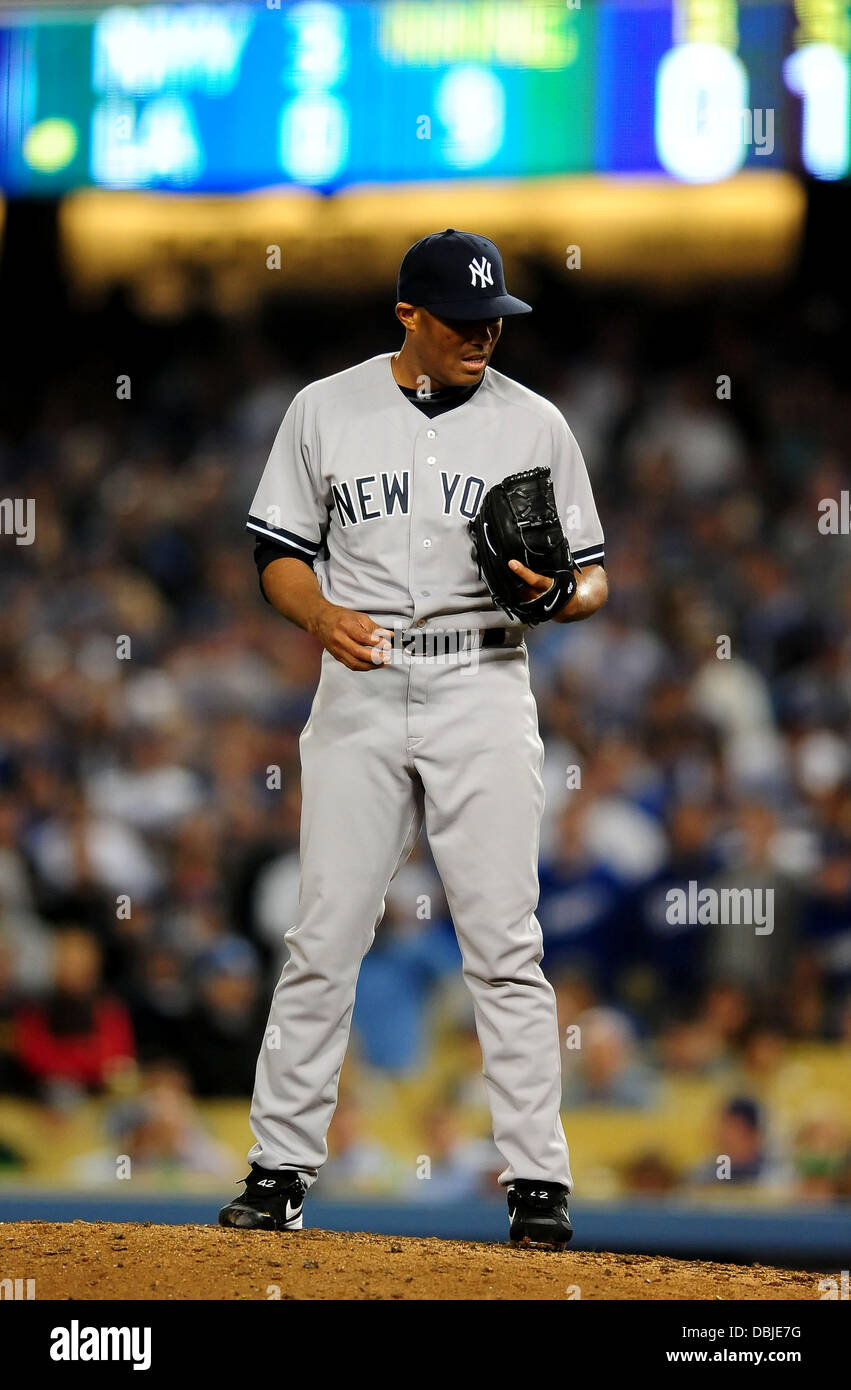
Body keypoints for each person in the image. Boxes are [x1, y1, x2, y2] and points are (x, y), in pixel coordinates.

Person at [219, 230, 607, 1247]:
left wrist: (561, 592)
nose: (483, 335)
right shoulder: (323, 409)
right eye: (461, 320)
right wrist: (316, 618)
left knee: (502, 939)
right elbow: (276, 554)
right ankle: (279, 1170)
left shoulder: (535, 422)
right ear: (407, 317)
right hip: (361, 678)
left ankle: (536, 1182)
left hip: (483, 675)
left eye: (493, 320)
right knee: (323, 932)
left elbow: (595, 573)